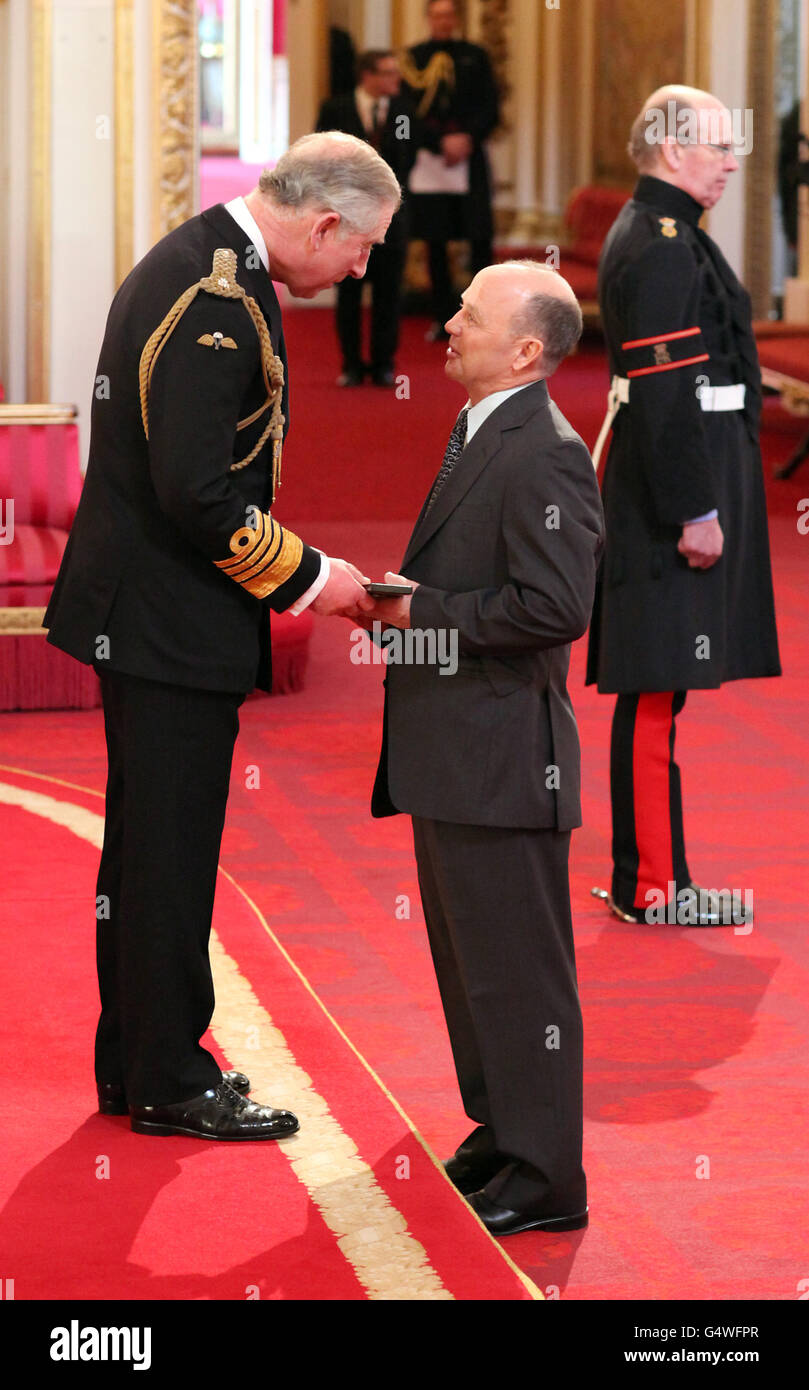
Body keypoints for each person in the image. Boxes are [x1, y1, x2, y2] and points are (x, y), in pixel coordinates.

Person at [44, 132, 398, 1140]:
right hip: (164, 613)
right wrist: (312, 579)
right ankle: (164, 1075)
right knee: (165, 853)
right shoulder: (215, 297)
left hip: (161, 606)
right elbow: (197, 494)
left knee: (154, 848)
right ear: (323, 221)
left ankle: (145, 1059)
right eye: (362, 248)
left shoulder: (223, 263)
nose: (361, 269)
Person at [362, 262, 604, 1235]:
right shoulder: (482, 427)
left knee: (516, 973)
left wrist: (415, 610)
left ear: (525, 350)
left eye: (469, 313)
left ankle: (546, 1177)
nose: (447, 321)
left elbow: (554, 609)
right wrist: (402, 621)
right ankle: (503, 1133)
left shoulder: (542, 450)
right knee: (470, 968)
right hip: (459, 748)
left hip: (505, 758)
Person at [586, 86, 781, 926]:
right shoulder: (661, 242)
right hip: (672, 486)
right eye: (717, 147)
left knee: (664, 686)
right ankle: (653, 887)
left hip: (684, 471)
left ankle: (657, 878)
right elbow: (666, 395)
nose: (733, 162)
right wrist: (694, 511)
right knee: (656, 687)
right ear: (671, 150)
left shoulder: (668, 232)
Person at [399, 0, 499, 340]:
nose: (443, 21)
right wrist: (439, 142)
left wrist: (466, 138)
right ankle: (442, 317)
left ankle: (483, 317)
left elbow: (491, 105)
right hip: (430, 160)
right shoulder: (413, 59)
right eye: (437, 15)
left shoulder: (475, 55)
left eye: (449, 15)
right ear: (429, 19)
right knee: (435, 240)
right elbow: (406, 113)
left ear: (456, 19)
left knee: (479, 236)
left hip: (469, 158)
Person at [316, 50, 417, 386]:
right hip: (346, 217)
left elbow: (406, 156)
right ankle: (351, 364)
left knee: (389, 294)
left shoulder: (402, 111)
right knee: (349, 293)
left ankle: (384, 364)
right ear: (368, 76)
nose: (395, 79)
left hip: (391, 218)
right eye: (388, 73)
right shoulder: (337, 108)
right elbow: (322, 156)